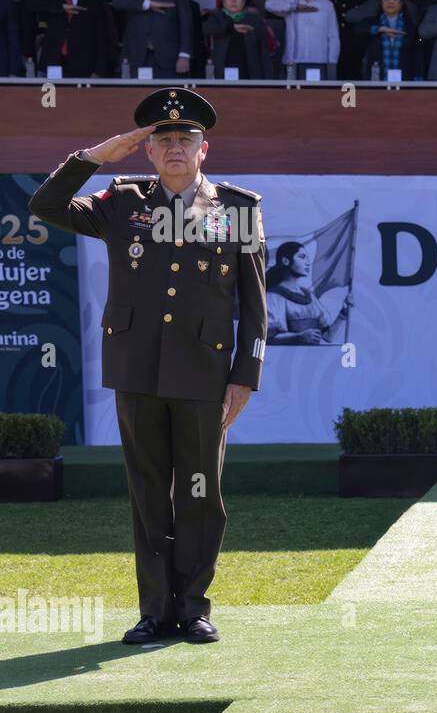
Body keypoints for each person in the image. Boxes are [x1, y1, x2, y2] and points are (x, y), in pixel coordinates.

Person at [28, 88, 268, 645]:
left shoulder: (236, 210)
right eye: (164, 140)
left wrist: (245, 376)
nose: (176, 147)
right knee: (148, 492)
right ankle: (155, 611)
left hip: (205, 379)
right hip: (136, 372)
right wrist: (93, 157)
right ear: (148, 151)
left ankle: (194, 608)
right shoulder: (120, 202)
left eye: (187, 138)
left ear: (204, 149)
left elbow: (256, 308)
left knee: (201, 493)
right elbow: (44, 206)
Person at [33, 0, 114, 76]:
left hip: (84, 66)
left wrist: (99, 70)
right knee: (52, 96)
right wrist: (61, 7)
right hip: (51, 64)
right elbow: (29, 5)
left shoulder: (95, 3)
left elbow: (102, 38)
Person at [265, 241, 352, 344]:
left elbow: (328, 337)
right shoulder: (273, 296)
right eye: (302, 257)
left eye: (307, 258)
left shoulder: (309, 295)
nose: (307, 262)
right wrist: (299, 337)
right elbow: (268, 338)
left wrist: (343, 313)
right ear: (285, 261)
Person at [264, 0, 340, 79]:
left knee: (320, 95)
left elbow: (333, 36)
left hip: (320, 61)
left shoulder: (327, 5)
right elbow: (268, 4)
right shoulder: (291, 3)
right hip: (293, 62)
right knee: (293, 96)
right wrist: (295, 7)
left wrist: (332, 62)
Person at [203, 0, 273, 80]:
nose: (233, 1)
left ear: (244, 1)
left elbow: (264, 53)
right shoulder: (216, 16)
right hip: (222, 72)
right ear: (223, 1)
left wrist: (268, 80)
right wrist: (231, 27)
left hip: (250, 73)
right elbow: (206, 29)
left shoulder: (254, 19)